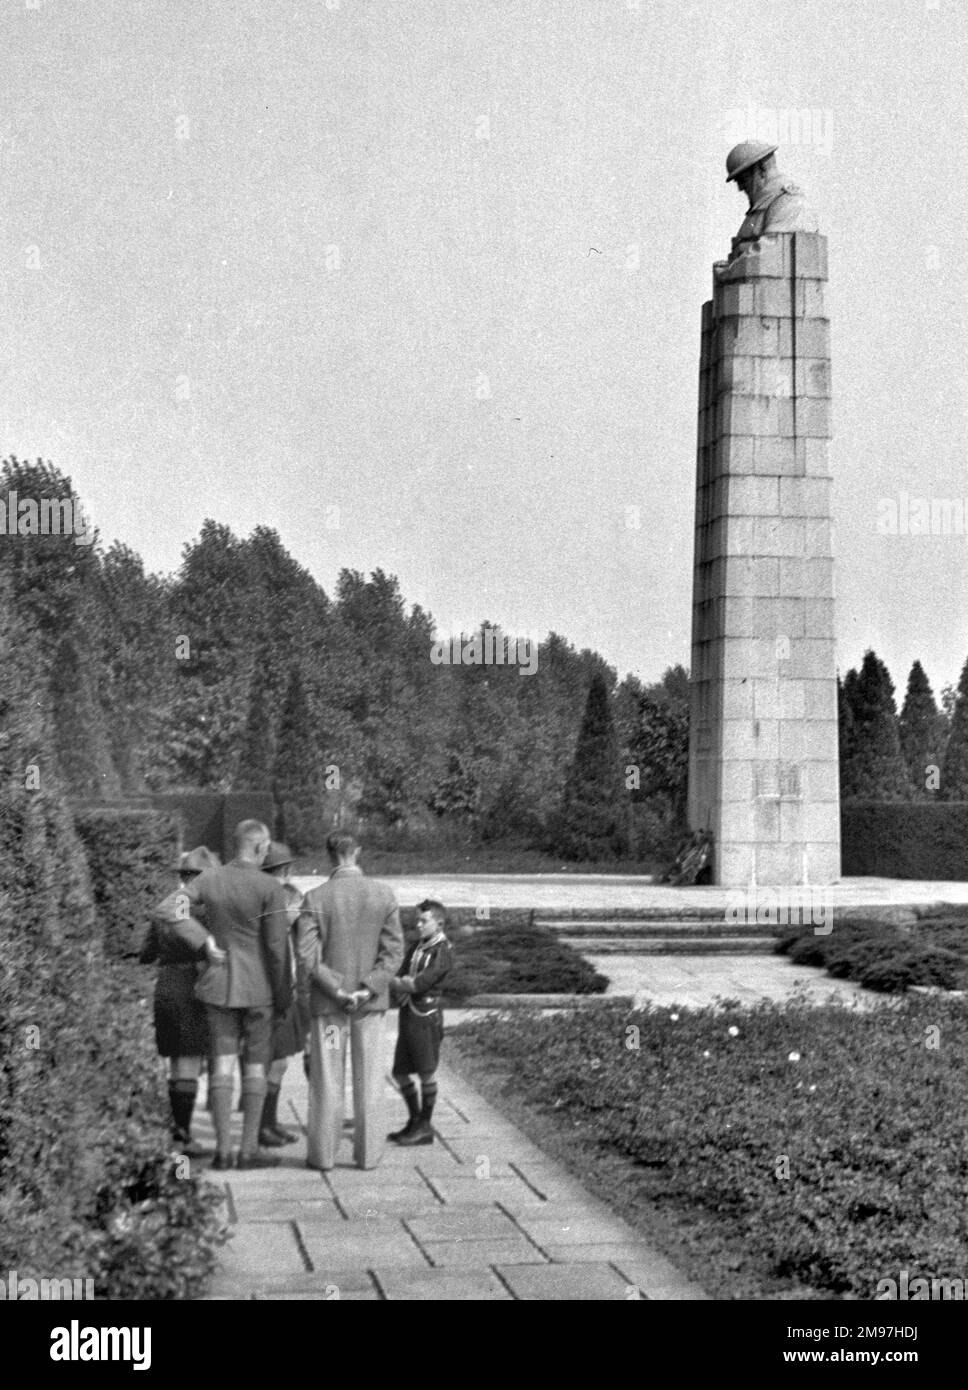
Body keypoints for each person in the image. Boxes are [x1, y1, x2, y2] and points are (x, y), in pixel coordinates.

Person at [184, 819, 293, 1171]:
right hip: (260, 989)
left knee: (222, 1064)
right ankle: (248, 1151)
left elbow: (168, 908)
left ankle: (223, 1151)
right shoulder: (269, 886)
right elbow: (277, 948)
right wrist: (283, 995)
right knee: (257, 1066)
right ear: (261, 848)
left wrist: (203, 940)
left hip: (219, 985)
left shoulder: (209, 878)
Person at [297, 831, 403, 1171]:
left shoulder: (315, 898)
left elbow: (307, 957)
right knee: (370, 1078)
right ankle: (369, 1155)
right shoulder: (383, 895)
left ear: (329, 856)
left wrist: (338, 989)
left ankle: (323, 1155)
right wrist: (368, 987)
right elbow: (394, 952)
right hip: (369, 1009)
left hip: (331, 1009)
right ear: (357, 851)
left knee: (327, 1077)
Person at [140, 846, 223, 1156]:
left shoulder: (169, 910)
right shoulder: (206, 911)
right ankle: (183, 1136)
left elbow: (146, 952)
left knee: (176, 1062)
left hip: (166, 985)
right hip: (194, 985)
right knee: (189, 1063)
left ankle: (177, 1131)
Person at [388, 899, 454, 1146]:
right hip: (409, 1012)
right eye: (417, 920)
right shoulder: (417, 946)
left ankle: (425, 1126)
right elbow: (401, 972)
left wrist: (394, 983)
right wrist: (398, 981)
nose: (418, 925)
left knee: (426, 1071)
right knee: (401, 1072)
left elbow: (420, 983)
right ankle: (414, 1120)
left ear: (439, 923)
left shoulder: (443, 950)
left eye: (423, 920)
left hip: (426, 1016)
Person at [258, 841, 310, 1147]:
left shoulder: (275, 898)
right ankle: (263, 1126)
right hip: (273, 994)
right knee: (272, 1062)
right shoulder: (274, 900)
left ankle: (269, 1122)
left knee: (278, 1062)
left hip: (281, 991)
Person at [717, 140, 818, 274]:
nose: (740, 188)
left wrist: (728, 271)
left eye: (742, 179)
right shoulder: (763, 206)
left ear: (761, 168)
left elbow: (769, 251)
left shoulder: (790, 202)